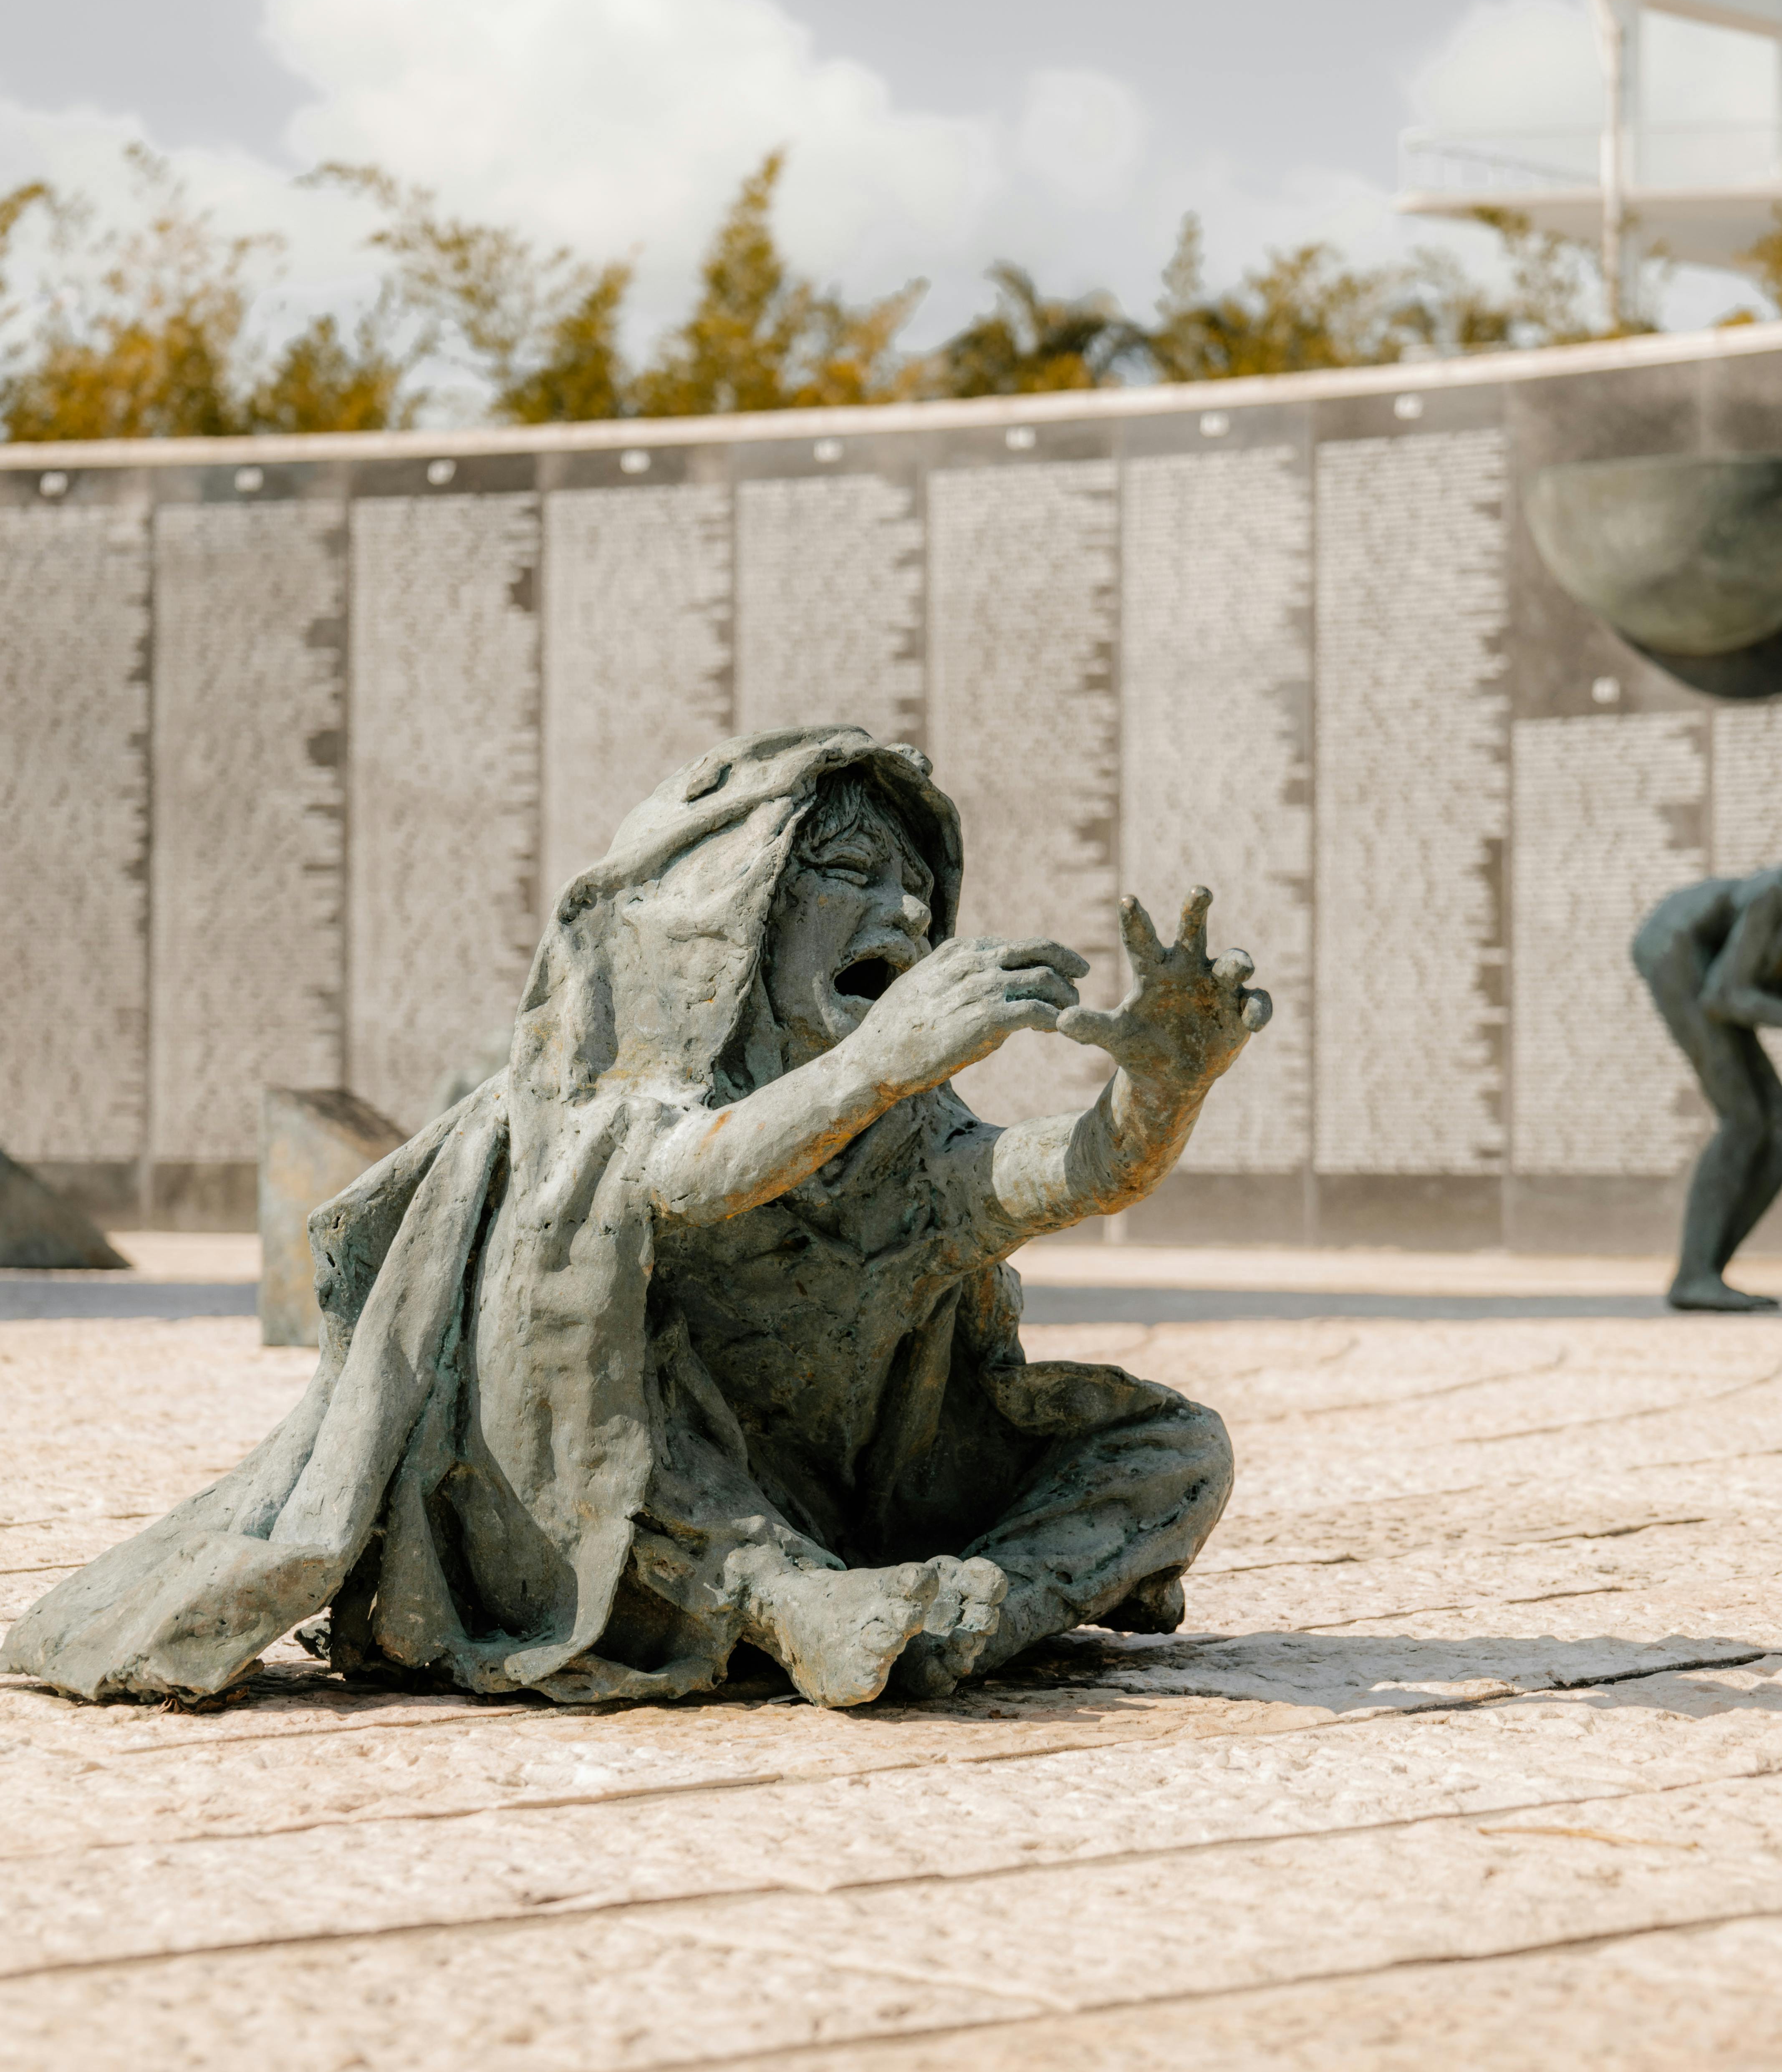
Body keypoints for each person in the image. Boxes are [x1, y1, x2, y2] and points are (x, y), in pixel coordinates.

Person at [3, 726, 1270, 1710]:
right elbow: (683, 1177)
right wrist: (872, 1063)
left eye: (917, 895)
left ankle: (961, 1610)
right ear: (735, 912)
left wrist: (1159, 1086)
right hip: (629, 1510)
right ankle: (785, 1603)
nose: (902, 917)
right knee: (570, 1261)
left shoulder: (901, 1121)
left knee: (1176, 1447)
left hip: (844, 1490)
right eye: (844, 873)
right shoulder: (621, 1100)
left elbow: (1063, 1174)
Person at [1633, 867, 1782, 1311]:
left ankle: (1706, 1272)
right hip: (1674, 948)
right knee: (1744, 1119)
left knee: (1777, 1129)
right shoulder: (1774, 893)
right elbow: (1726, 995)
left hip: (1708, 970)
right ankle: (1695, 1275)